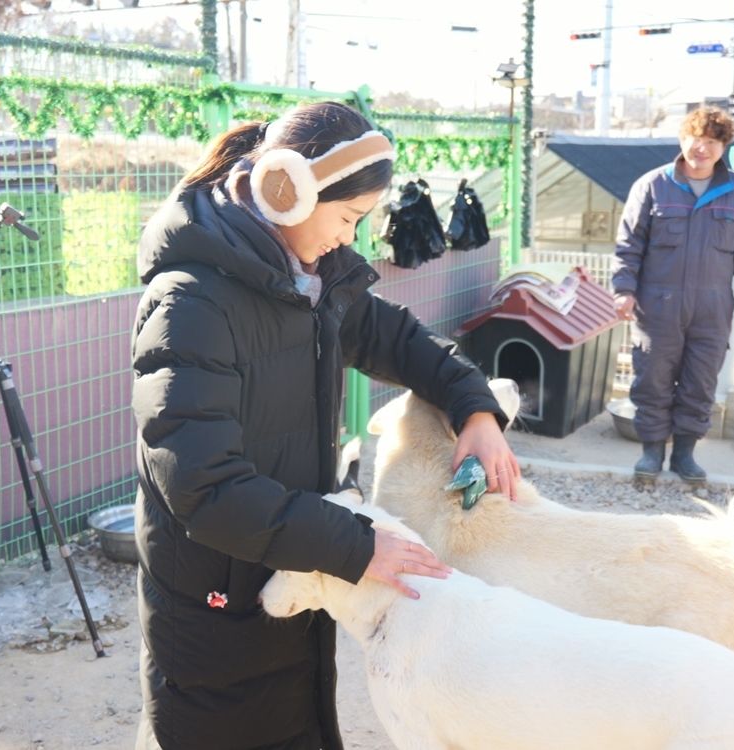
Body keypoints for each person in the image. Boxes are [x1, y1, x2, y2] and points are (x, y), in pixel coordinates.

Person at [130, 101, 521, 750]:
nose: (351, 238)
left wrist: (474, 407)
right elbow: (201, 486)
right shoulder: (189, 301)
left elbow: (396, 338)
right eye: (347, 218)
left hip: (291, 564)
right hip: (215, 599)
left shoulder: (310, 277)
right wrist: (355, 543)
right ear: (287, 192)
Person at [611, 106, 734, 483]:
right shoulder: (652, 185)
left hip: (712, 307)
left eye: (712, 142)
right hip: (657, 304)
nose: (703, 148)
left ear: (724, 147)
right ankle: (651, 453)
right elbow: (629, 244)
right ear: (683, 140)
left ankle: (685, 455)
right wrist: (624, 290)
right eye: (697, 139)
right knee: (652, 378)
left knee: (701, 382)